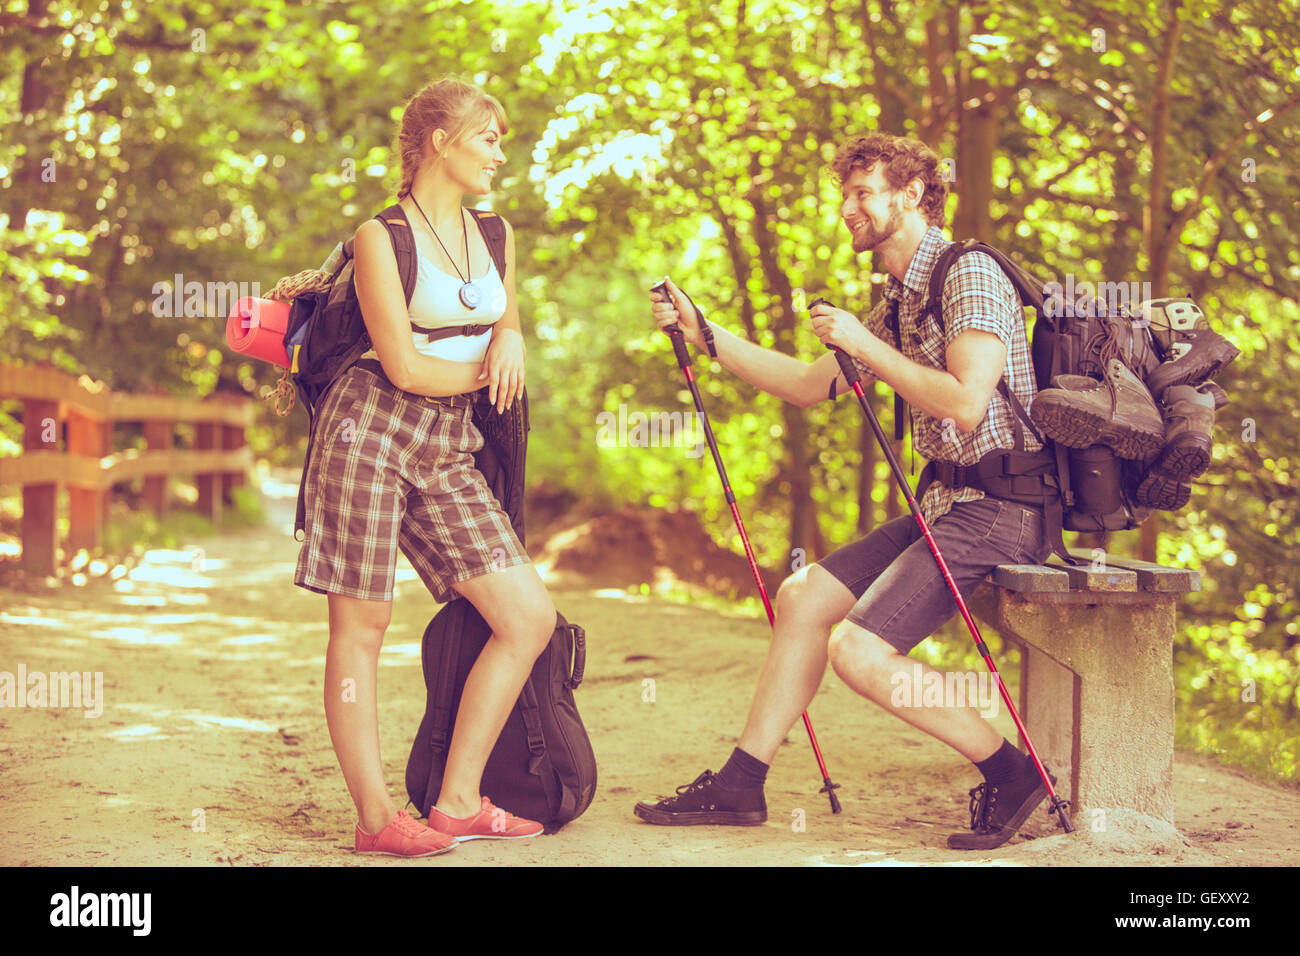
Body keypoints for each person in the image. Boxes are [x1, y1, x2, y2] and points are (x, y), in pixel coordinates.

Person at [638, 132, 1057, 850]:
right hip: (945, 504)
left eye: (862, 193)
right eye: (844, 194)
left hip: (1004, 508)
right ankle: (741, 785)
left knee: (859, 653)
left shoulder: (969, 274)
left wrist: (864, 343)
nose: (846, 209)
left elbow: (965, 402)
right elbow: (808, 387)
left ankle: (1013, 773)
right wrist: (707, 334)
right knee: (802, 597)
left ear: (913, 194)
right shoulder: (899, 296)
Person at [294, 77, 557, 856]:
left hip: (450, 443)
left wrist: (512, 339)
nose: (500, 154)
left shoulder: (496, 234)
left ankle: (458, 800)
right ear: (441, 142)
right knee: (363, 624)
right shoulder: (379, 238)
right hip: (367, 430)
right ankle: (376, 819)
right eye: (489, 138)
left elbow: (503, 323)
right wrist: (489, 369)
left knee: (526, 617)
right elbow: (405, 366)